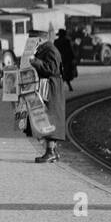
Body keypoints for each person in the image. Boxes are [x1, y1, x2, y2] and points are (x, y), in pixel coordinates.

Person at [29, 29, 66, 163]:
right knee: (48, 117)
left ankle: (50, 152)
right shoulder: (45, 49)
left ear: (38, 39)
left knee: (50, 118)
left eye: (31, 39)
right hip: (49, 87)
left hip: (51, 88)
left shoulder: (50, 50)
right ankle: (53, 152)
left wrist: (35, 61)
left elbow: (52, 69)